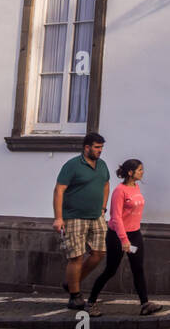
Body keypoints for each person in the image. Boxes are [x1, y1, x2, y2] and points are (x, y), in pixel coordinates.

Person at [88, 159, 161, 316]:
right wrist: (124, 240)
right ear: (130, 172)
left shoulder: (136, 187)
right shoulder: (119, 191)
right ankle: (91, 301)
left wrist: (131, 237)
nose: (142, 172)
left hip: (135, 233)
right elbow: (116, 218)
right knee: (111, 270)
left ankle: (145, 304)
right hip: (117, 236)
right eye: (140, 170)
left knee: (138, 269)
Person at [53, 132, 109, 312]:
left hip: (96, 216)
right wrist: (59, 218)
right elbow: (59, 190)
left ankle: (71, 283)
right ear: (87, 147)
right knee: (76, 256)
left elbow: (106, 184)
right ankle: (75, 296)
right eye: (97, 147)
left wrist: (103, 207)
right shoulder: (72, 165)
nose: (100, 151)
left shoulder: (102, 165)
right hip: (74, 217)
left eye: (101, 147)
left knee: (99, 253)